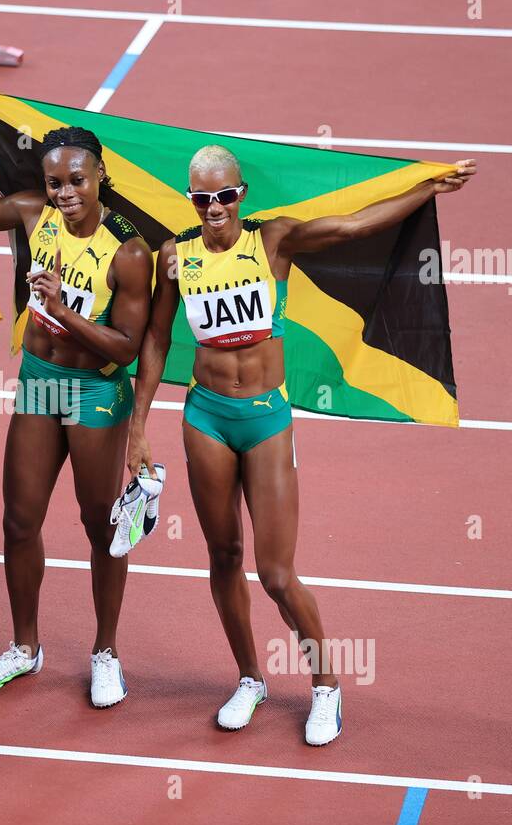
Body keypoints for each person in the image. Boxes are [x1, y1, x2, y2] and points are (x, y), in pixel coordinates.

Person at [127, 144, 476, 744]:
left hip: (265, 418)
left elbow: (353, 224)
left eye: (224, 196)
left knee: (278, 574)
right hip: (205, 416)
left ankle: (326, 685)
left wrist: (426, 188)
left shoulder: (274, 241)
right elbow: (157, 339)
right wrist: (137, 427)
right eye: (202, 198)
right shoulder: (174, 257)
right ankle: (249, 678)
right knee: (223, 559)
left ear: (241, 195)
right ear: (192, 200)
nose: (214, 208)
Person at [0, 81, 154, 708]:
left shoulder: (128, 251)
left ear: (100, 175)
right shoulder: (35, 215)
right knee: (19, 520)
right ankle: (24, 649)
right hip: (37, 384)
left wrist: (62, 312)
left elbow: (125, 347)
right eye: (55, 182)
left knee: (100, 525)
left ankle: (105, 653)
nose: (66, 193)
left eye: (77, 180)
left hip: (94, 393)